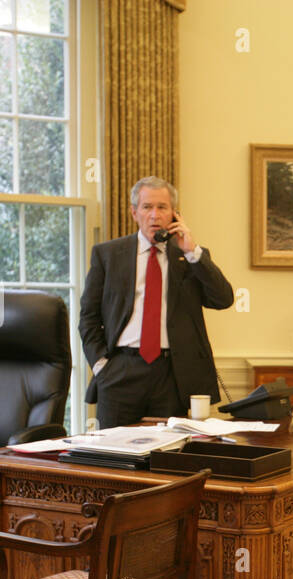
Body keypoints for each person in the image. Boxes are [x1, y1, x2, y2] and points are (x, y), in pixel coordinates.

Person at [80, 176, 234, 428]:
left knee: (166, 459)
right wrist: (101, 366)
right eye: (147, 207)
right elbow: (88, 316)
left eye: (162, 207)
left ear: (174, 214)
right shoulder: (107, 255)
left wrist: (191, 250)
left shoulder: (188, 257)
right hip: (120, 371)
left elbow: (223, 299)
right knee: (114, 457)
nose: (154, 215)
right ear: (134, 212)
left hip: (172, 375)